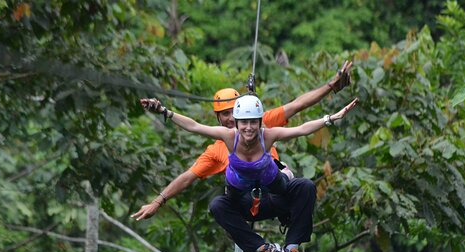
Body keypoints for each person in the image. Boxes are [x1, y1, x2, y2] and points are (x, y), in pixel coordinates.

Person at [136, 94, 359, 252]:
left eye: (254, 122)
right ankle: (267, 251)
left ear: (261, 122)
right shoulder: (227, 138)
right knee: (217, 205)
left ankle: (290, 250)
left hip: (274, 198)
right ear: (237, 123)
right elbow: (193, 127)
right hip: (244, 204)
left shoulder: (268, 135)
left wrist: (330, 118)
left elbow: (302, 129)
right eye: (244, 123)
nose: (249, 128)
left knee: (306, 186)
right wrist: (165, 111)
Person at [130, 61, 353, 222]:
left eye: (232, 113)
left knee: (294, 180)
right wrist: (158, 201)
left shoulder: (259, 124)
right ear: (217, 117)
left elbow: (297, 106)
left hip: (275, 192)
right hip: (251, 201)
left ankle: (290, 229)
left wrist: (331, 86)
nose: (229, 119)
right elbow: (188, 175)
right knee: (223, 202)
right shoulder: (218, 148)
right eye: (223, 115)